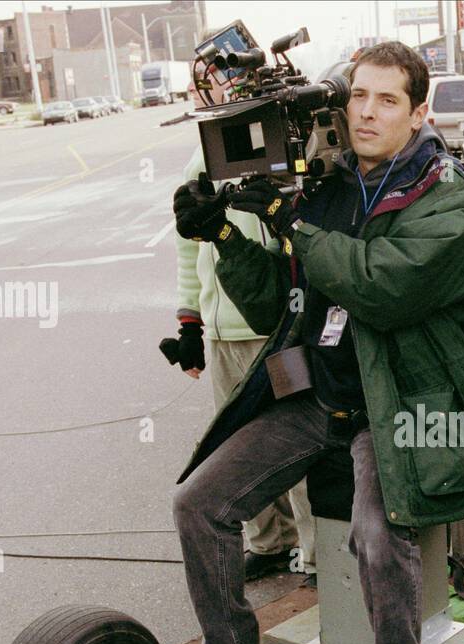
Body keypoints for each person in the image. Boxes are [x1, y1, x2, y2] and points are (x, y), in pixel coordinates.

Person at [152, 41, 464, 644]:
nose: (366, 112)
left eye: (387, 99)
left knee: (376, 528)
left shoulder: (447, 199)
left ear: (419, 111)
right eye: (357, 95)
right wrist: (222, 232)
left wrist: (295, 227)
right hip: (320, 391)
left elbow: (382, 288)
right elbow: (281, 302)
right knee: (199, 502)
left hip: (399, 399)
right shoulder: (328, 188)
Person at [164, 55, 316, 584]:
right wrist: (190, 324)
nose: (204, 95)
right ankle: (270, 542)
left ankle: (318, 557)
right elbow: (190, 249)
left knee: (293, 445)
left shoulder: (285, 147)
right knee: (234, 445)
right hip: (225, 332)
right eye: (199, 87)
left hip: (275, 330)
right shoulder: (199, 160)